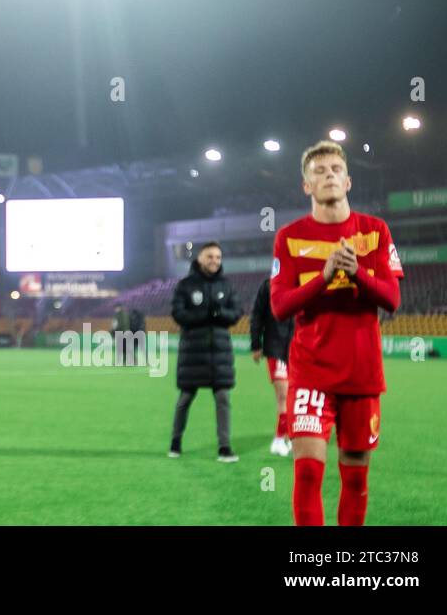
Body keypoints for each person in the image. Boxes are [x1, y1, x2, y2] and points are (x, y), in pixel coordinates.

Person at [271, 140, 403, 527]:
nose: (328, 174)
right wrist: (326, 276)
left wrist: (357, 274)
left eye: (335, 169)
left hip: (361, 375)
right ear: (306, 186)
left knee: (356, 476)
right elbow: (280, 306)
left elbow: (392, 299)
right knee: (308, 473)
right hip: (311, 372)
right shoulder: (289, 237)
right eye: (318, 171)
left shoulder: (375, 231)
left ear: (348, 181)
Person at [169, 242, 241, 461]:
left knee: (222, 398)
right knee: (185, 399)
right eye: (210, 256)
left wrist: (219, 313)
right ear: (200, 258)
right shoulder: (185, 285)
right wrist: (205, 315)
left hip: (220, 355)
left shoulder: (226, 285)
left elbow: (236, 313)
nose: (215, 261)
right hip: (193, 353)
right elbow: (178, 314)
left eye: (218, 257)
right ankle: (175, 442)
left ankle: (224, 447)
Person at [249, 274, 295, 456]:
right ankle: (278, 439)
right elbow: (257, 315)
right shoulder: (269, 286)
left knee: (295, 396)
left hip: (298, 350)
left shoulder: (304, 282)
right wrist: (256, 344)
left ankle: (291, 437)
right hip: (276, 347)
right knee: (283, 396)